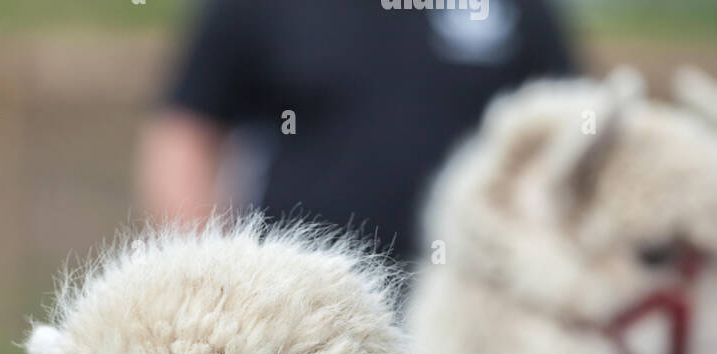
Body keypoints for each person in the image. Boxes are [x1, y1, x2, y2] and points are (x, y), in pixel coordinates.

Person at [137, 0, 577, 260]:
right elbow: (186, 135)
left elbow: (570, 139)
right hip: (301, 309)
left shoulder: (518, 10)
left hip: (469, 304)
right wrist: (211, 272)